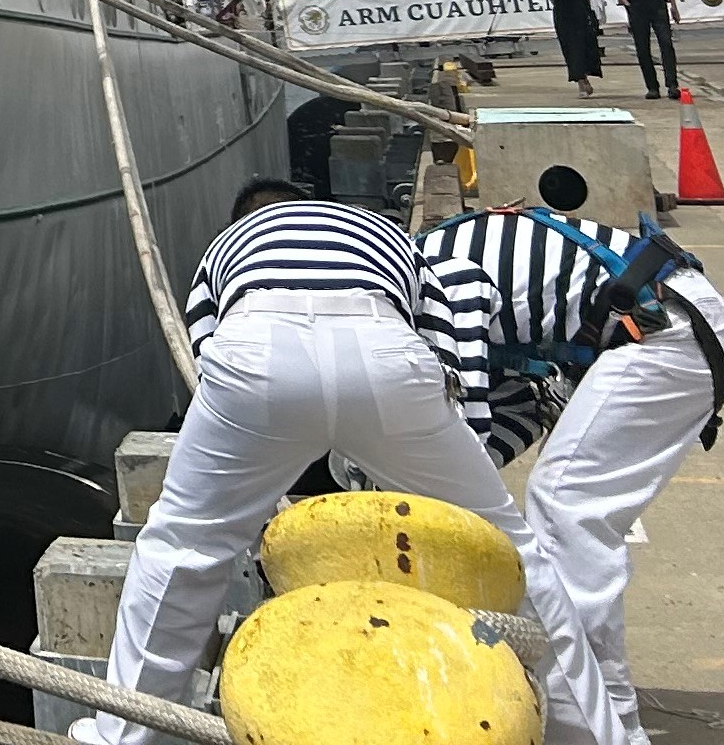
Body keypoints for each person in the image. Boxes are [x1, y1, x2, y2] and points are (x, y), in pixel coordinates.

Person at [66, 182, 613, 745]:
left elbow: (210, 356)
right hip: (385, 347)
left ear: (250, 219)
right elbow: (440, 347)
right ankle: (596, 737)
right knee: (508, 547)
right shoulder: (385, 236)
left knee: (182, 548)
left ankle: (126, 734)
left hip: (257, 345)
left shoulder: (227, 245)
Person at [421, 174, 724, 745]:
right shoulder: (451, 278)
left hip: (663, 333)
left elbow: (465, 423)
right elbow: (515, 411)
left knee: (567, 510)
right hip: (685, 329)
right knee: (564, 511)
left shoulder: (432, 273)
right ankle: (596, 707)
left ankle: (600, 725)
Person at [548, 0, 608, 95]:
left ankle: (586, 73)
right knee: (572, 48)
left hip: (582, 14)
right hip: (566, 17)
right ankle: (581, 80)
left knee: (587, 46)